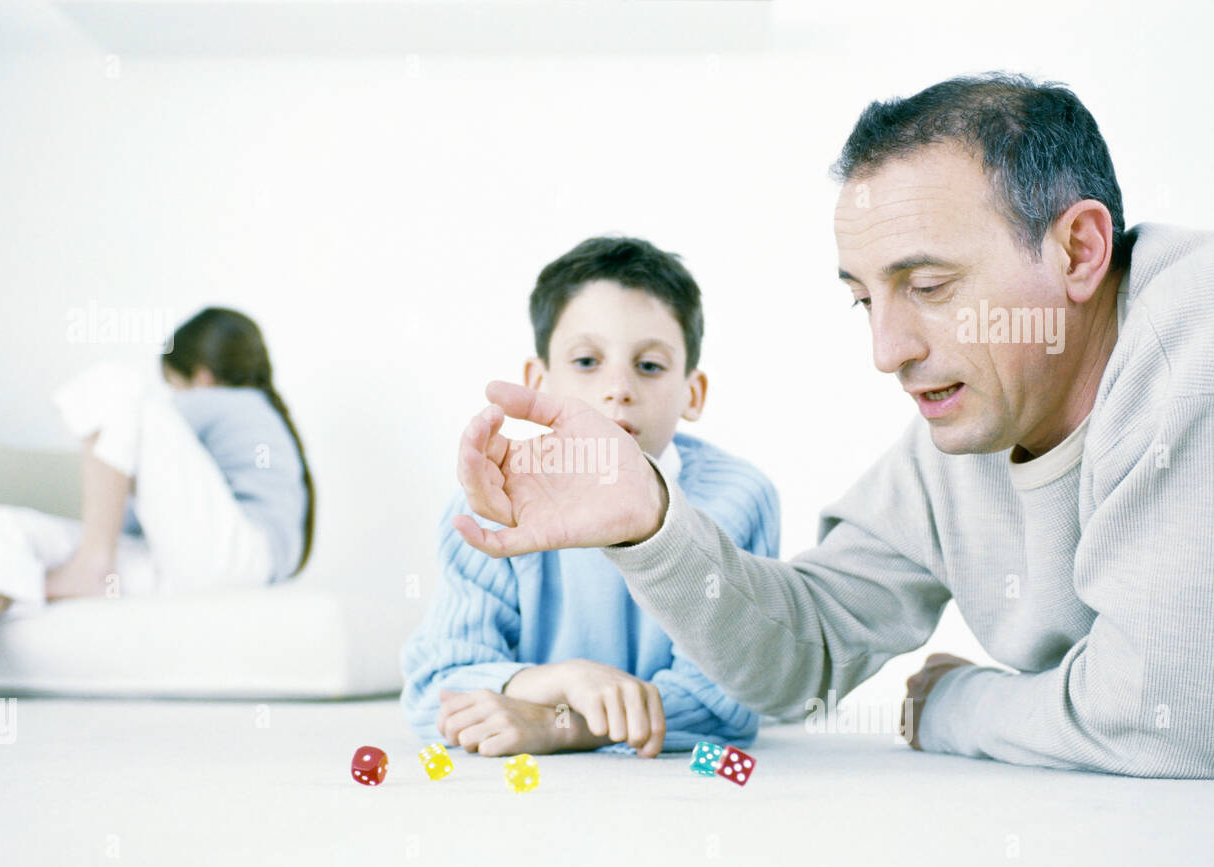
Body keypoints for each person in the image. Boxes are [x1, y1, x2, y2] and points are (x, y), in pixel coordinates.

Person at [452, 74, 1214, 778]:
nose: (888, 351)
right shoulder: (969, 434)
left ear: (1079, 250)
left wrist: (954, 705)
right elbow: (803, 652)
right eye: (865, 299)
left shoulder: (1193, 334)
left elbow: (1164, 710)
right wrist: (653, 526)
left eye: (928, 285)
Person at [403, 236, 780, 758]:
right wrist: (566, 682)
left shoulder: (739, 498)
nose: (618, 387)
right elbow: (435, 692)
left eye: (649, 366)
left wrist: (561, 725)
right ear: (539, 381)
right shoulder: (489, 504)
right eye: (586, 361)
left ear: (693, 394)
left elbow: (727, 704)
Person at [0, 307, 315, 701]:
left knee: (114, 385)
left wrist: (92, 547)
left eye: (175, 385)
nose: (173, 398)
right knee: (12, 529)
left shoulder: (230, 402)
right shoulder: (240, 425)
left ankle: (93, 562)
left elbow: (124, 442)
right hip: (187, 567)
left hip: (235, 561)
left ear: (202, 377)